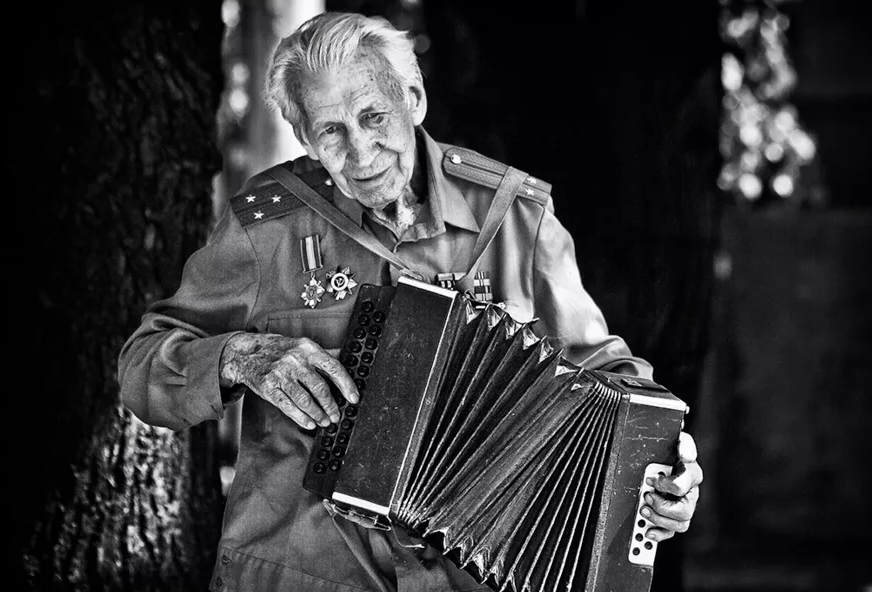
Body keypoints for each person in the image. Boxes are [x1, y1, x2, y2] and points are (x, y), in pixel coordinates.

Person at [118, 11, 703, 592]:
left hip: (472, 575)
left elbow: (605, 374)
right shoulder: (265, 228)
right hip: (304, 574)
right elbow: (144, 364)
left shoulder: (515, 218)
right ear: (303, 137)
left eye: (373, 116)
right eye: (331, 132)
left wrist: (664, 468)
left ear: (414, 99)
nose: (361, 151)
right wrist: (240, 357)